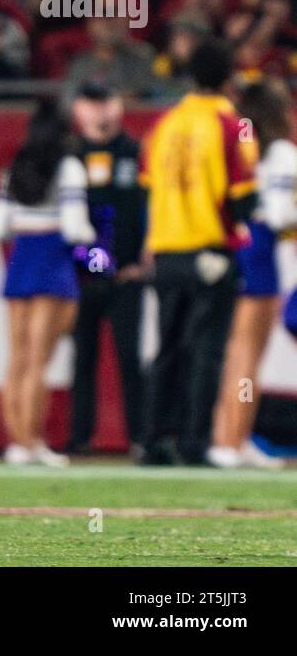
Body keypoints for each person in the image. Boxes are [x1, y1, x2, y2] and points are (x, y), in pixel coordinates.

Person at [140, 39, 257, 466]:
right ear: (228, 79)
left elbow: (147, 187)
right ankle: (194, 442)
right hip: (210, 251)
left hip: (167, 251)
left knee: (167, 347)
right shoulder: (232, 125)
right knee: (205, 352)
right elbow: (243, 194)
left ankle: (152, 440)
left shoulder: (165, 124)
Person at [0, 99, 96, 468]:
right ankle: (32, 440)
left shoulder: (14, 166)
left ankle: (18, 442)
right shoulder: (68, 167)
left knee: (18, 358)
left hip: (21, 259)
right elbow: (73, 226)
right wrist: (91, 238)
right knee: (38, 361)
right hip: (53, 261)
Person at [208, 80, 297, 469]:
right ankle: (231, 441)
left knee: (234, 354)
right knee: (247, 357)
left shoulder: (238, 148)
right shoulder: (280, 153)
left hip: (235, 245)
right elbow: (279, 213)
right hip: (260, 252)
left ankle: (228, 438)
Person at [66, 82, 147, 458]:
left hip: (126, 274)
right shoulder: (70, 154)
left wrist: (147, 256)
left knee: (131, 358)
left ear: (119, 105)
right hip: (81, 276)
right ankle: (80, 438)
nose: (100, 112)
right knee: (82, 358)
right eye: (92, 103)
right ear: (79, 109)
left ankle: (140, 438)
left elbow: (153, 208)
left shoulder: (136, 152)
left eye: (106, 102)